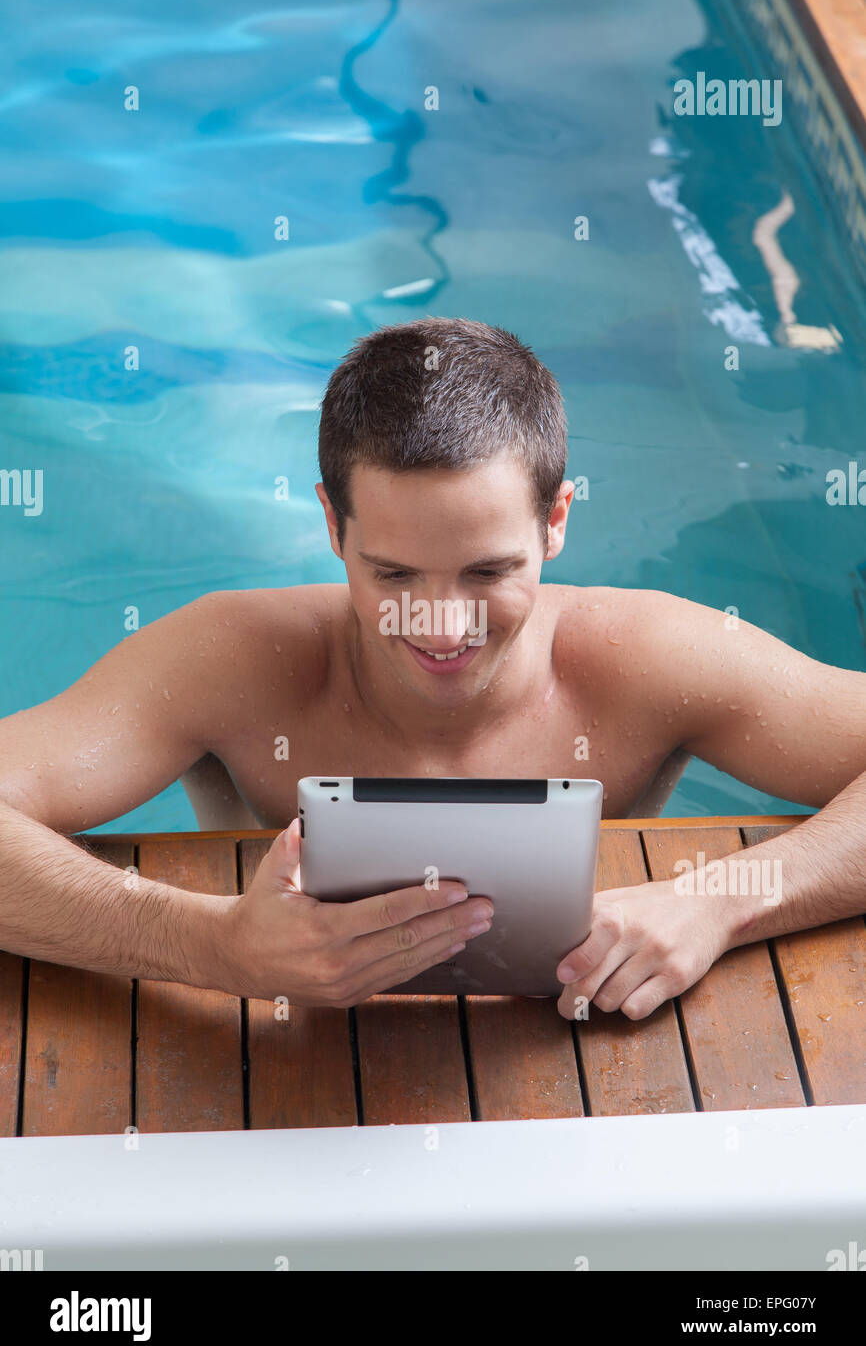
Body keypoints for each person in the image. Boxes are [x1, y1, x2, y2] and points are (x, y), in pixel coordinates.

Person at [1, 318, 864, 1021]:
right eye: (395, 574)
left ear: (556, 520)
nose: (442, 626)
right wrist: (215, 944)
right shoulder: (230, 661)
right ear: (333, 529)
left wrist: (719, 902)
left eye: (489, 573)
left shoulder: (649, 659)